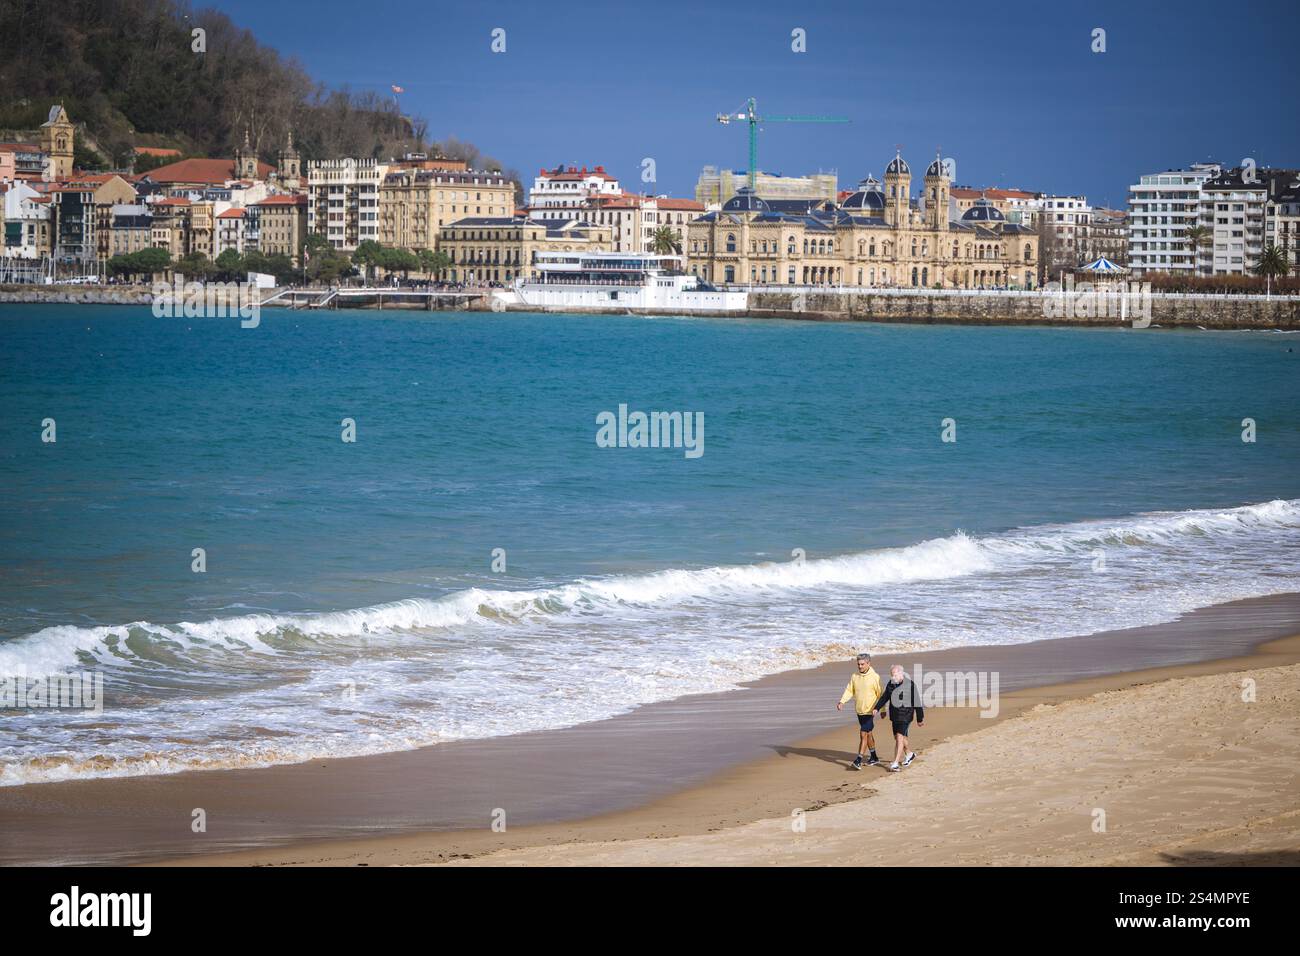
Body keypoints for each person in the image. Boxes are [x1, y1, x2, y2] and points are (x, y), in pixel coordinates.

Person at [872, 664, 925, 772]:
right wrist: (877, 708)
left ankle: (895, 763)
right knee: (898, 738)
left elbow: (917, 702)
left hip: (906, 715)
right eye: (891, 675)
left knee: (899, 738)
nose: (892, 677)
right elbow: (885, 697)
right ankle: (909, 754)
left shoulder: (910, 685)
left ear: (901, 674)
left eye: (894, 675)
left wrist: (920, 718)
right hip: (895, 715)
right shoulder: (891, 684)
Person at [836, 653, 884, 769]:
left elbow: (881, 695)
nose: (860, 666)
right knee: (868, 734)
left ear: (868, 663)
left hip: (870, 711)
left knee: (863, 733)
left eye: (862, 664)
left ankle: (858, 759)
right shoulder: (855, 676)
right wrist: (842, 701)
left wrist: (882, 709)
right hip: (859, 710)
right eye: (858, 664)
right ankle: (874, 757)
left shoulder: (875, 677)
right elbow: (849, 690)